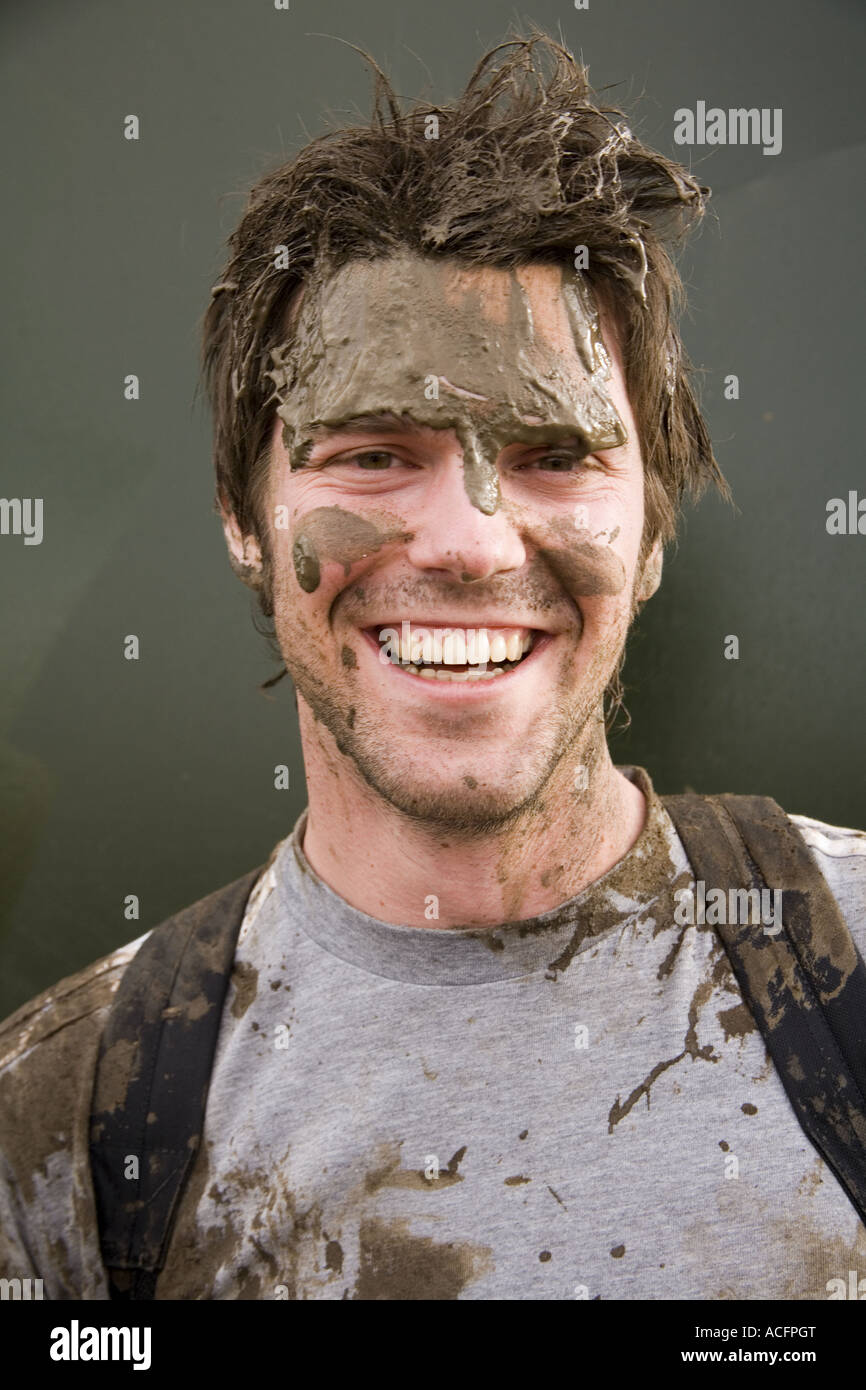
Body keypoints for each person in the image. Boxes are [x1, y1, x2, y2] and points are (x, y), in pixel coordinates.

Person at [2, 32, 864, 1302]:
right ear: (245, 522)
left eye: (553, 455)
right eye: (369, 452)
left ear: (652, 529)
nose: (466, 541)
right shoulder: (60, 1124)